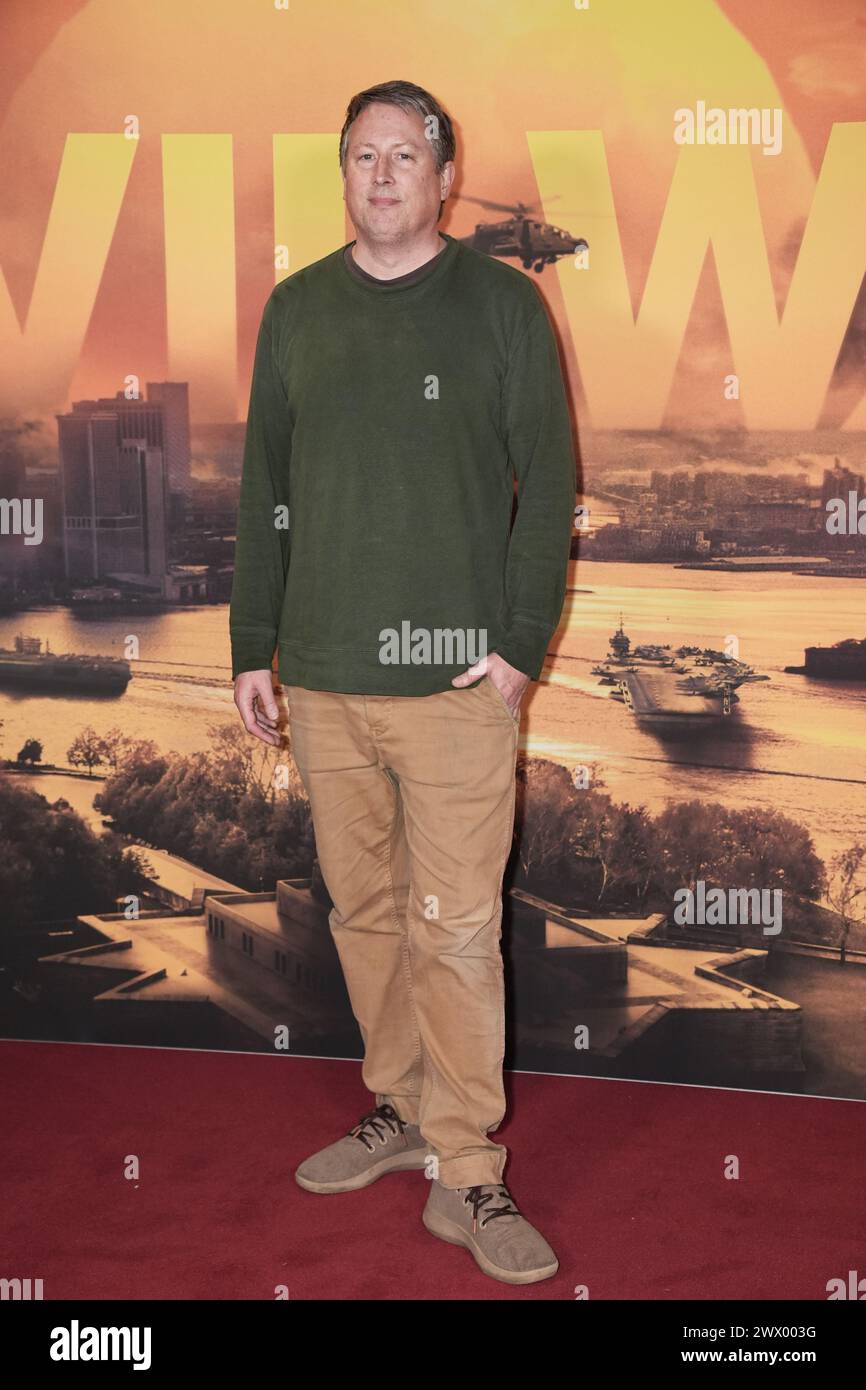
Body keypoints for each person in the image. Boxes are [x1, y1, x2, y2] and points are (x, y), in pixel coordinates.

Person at [230, 78, 576, 1286]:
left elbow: (549, 490)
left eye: (404, 156)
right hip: (321, 682)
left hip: (456, 692)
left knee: (460, 931)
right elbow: (262, 492)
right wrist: (248, 644)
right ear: (346, 176)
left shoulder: (502, 308)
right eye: (360, 156)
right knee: (366, 916)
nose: (380, 175)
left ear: (442, 175)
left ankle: (467, 1174)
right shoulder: (296, 311)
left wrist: (520, 645)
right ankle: (401, 1110)